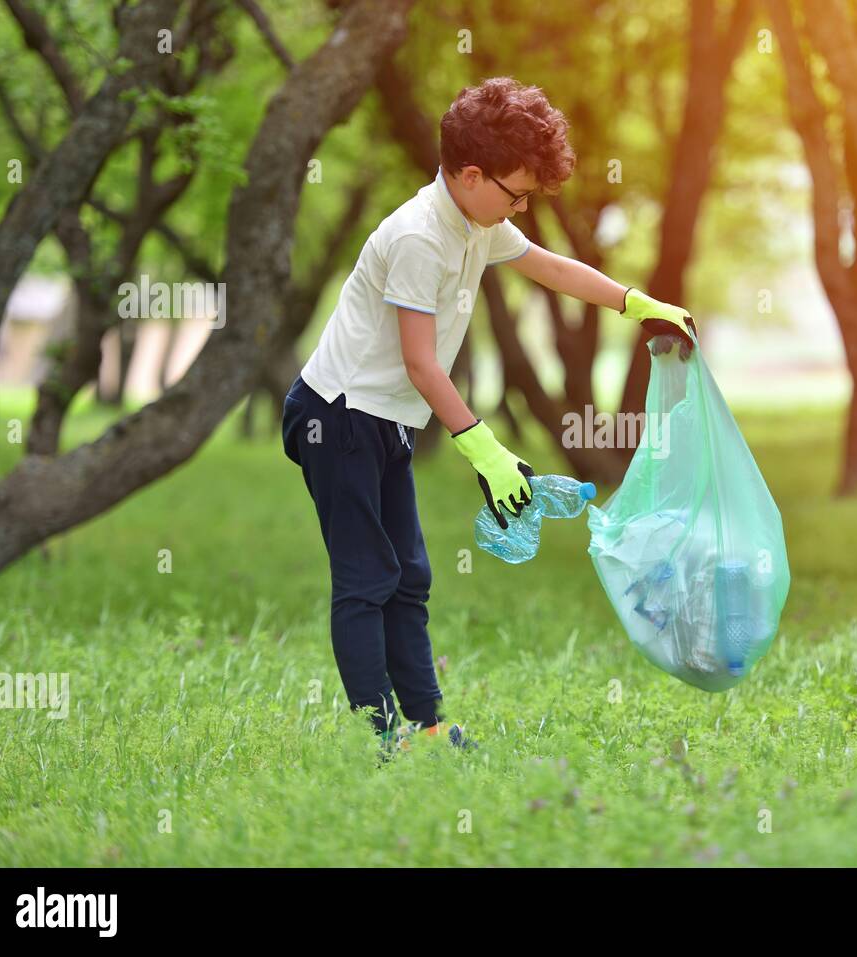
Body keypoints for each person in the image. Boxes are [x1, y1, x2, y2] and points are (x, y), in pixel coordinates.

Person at [280, 76, 696, 757]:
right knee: (367, 578)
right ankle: (376, 739)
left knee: (409, 575)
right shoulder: (420, 237)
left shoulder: (478, 221)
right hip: (339, 415)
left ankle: (427, 724)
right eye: (516, 192)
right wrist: (486, 451)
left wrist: (637, 303)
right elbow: (422, 363)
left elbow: (554, 270)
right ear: (470, 175)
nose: (523, 208)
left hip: (384, 420)